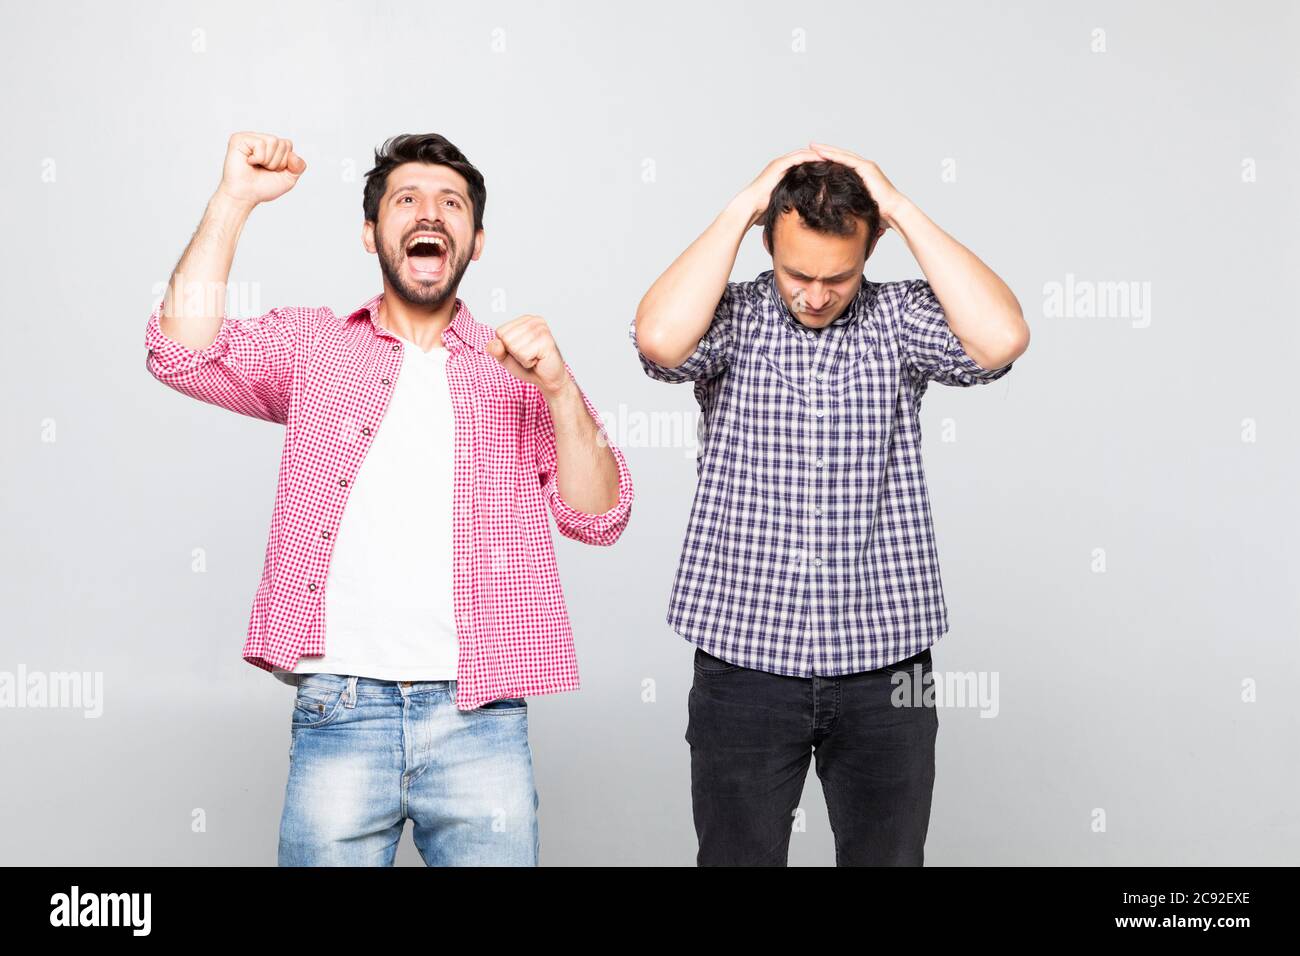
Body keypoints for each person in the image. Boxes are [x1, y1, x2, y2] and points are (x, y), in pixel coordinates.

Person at [144, 131, 633, 866]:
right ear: (372, 233)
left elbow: (601, 518)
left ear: (475, 240)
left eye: (451, 203)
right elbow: (178, 352)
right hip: (340, 707)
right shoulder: (314, 346)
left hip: (482, 717)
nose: (429, 213)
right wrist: (234, 200)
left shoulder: (520, 372)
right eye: (406, 199)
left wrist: (560, 390)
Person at [630, 143, 1029, 866]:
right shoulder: (734, 316)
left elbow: (1001, 338)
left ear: (871, 247)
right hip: (743, 659)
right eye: (796, 274)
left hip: (887, 661)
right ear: (768, 245)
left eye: (836, 278)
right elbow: (658, 342)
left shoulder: (899, 318)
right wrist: (743, 206)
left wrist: (900, 208)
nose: (814, 295)